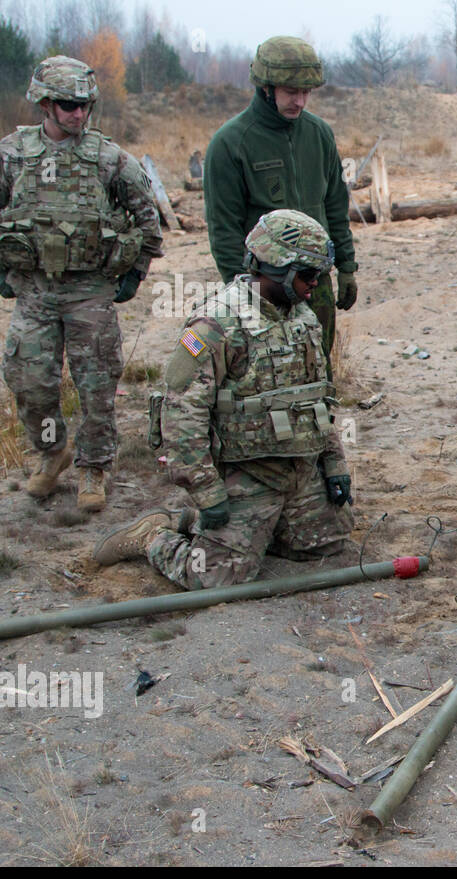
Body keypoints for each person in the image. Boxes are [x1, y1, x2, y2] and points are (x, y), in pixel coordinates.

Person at [92, 210, 355, 587]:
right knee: (214, 578)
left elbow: (318, 400)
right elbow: (182, 413)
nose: (315, 284)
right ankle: (152, 536)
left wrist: (334, 464)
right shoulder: (215, 324)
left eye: (319, 275)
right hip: (245, 472)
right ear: (274, 269)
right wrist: (207, 491)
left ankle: (216, 527)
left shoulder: (303, 318)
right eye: (307, 275)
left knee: (321, 545)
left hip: (297, 469)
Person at [0, 55, 163, 512]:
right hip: (34, 291)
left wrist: (134, 273)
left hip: (89, 291)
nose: (78, 115)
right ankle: (52, 454)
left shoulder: (109, 158)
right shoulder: (12, 154)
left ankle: (94, 466)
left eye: (85, 106)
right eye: (69, 106)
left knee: (96, 385)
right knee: (29, 381)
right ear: (45, 105)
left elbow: (148, 220)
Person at [204, 36, 357, 379]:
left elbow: (335, 205)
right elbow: (223, 228)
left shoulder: (319, 134)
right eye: (291, 91)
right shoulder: (230, 143)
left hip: (314, 282)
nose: (300, 101)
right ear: (266, 87)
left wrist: (346, 266)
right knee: (265, 378)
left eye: (307, 92)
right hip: (265, 287)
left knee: (318, 371)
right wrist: (241, 292)